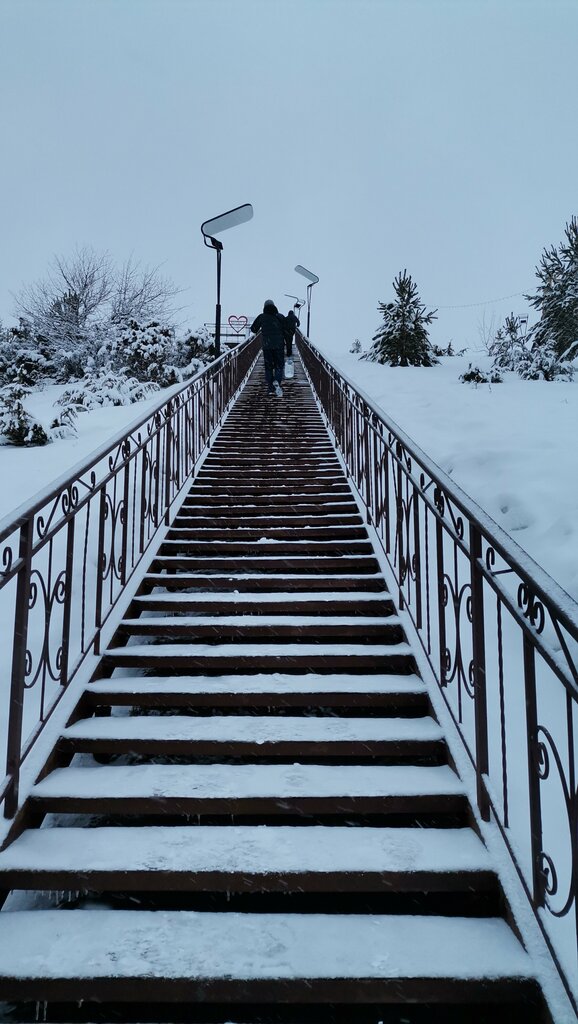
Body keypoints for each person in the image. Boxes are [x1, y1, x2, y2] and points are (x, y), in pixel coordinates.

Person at [251, 300, 286, 397]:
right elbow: (286, 329)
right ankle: (277, 382)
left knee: (268, 367)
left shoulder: (262, 317)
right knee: (279, 366)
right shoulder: (280, 316)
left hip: (267, 346)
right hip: (279, 345)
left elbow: (253, 329)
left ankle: (270, 386)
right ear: (274, 306)